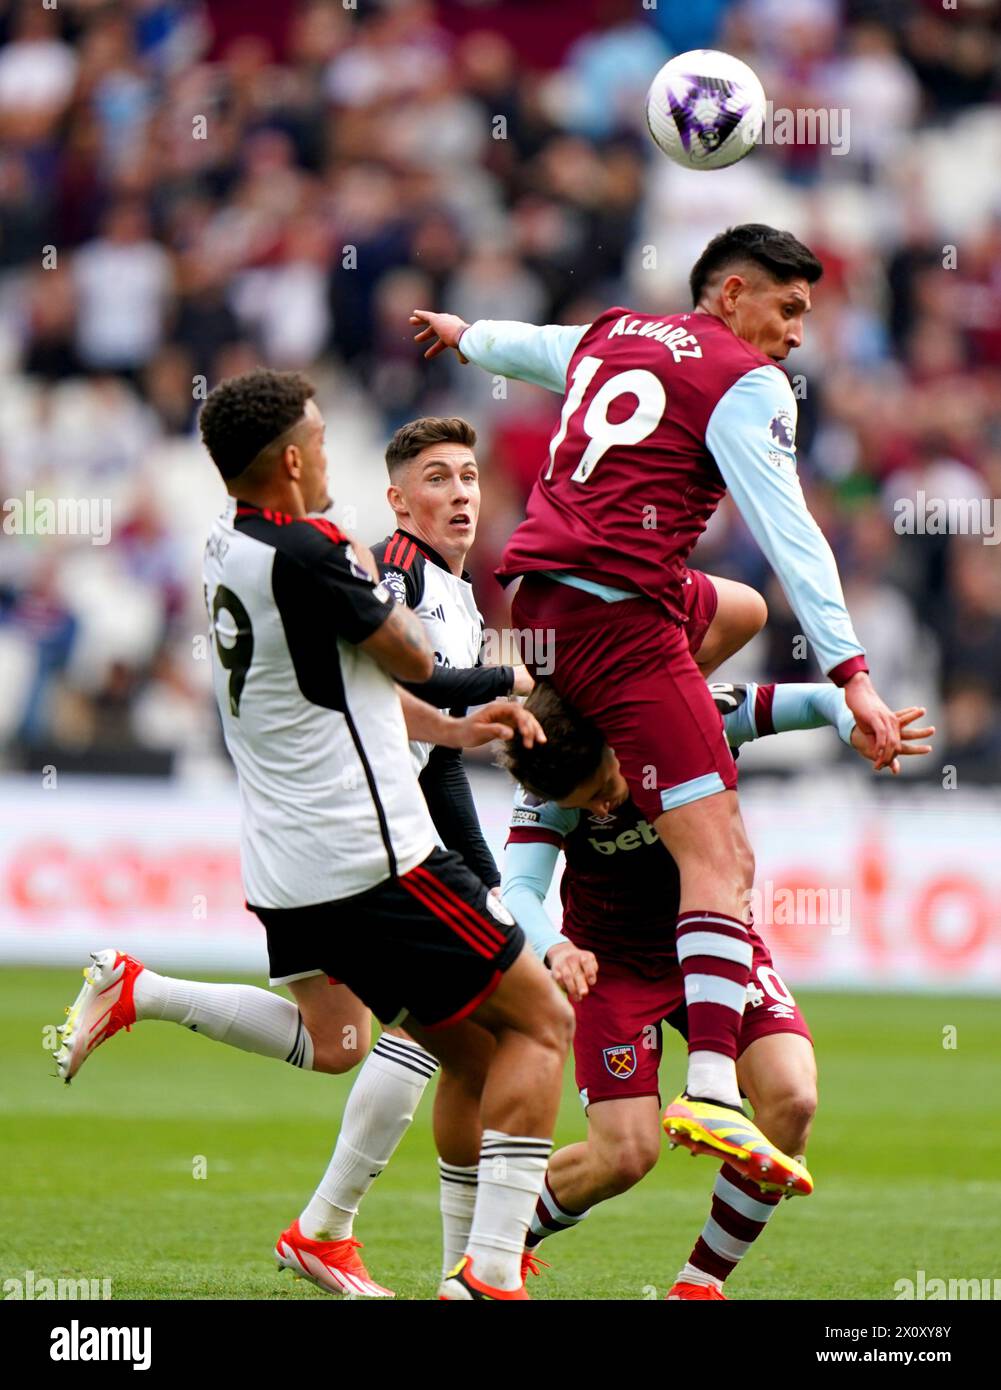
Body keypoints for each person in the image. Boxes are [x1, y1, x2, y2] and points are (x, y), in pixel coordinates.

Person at [55, 369, 574, 1302]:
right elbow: (411, 660)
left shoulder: (224, 542)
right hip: (369, 857)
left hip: (283, 862)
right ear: (293, 461)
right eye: (324, 439)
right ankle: (488, 1274)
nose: (461, 494)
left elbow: (350, 687)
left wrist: (457, 721)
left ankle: (148, 994)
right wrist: (509, 680)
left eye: (469, 476)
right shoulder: (317, 552)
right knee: (538, 1022)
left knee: (351, 1042)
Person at [410, 222, 906, 1190]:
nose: (798, 332)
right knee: (718, 848)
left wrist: (467, 335)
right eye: (786, 307)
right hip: (617, 612)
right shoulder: (744, 380)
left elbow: (542, 348)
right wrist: (850, 671)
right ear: (727, 295)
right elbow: (788, 527)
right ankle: (715, 1087)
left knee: (739, 608)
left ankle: (654, 728)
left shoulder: (619, 331)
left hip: (550, 603)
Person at [497, 678, 934, 1298]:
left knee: (792, 1100)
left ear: (615, 741)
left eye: (602, 790)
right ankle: (500, 1242)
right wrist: (556, 947)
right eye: (583, 805)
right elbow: (519, 889)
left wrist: (853, 722)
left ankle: (698, 1286)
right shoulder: (548, 785)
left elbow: (813, 699)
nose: (599, 810)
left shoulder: (694, 714)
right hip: (612, 965)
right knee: (624, 1156)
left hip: (715, 940)